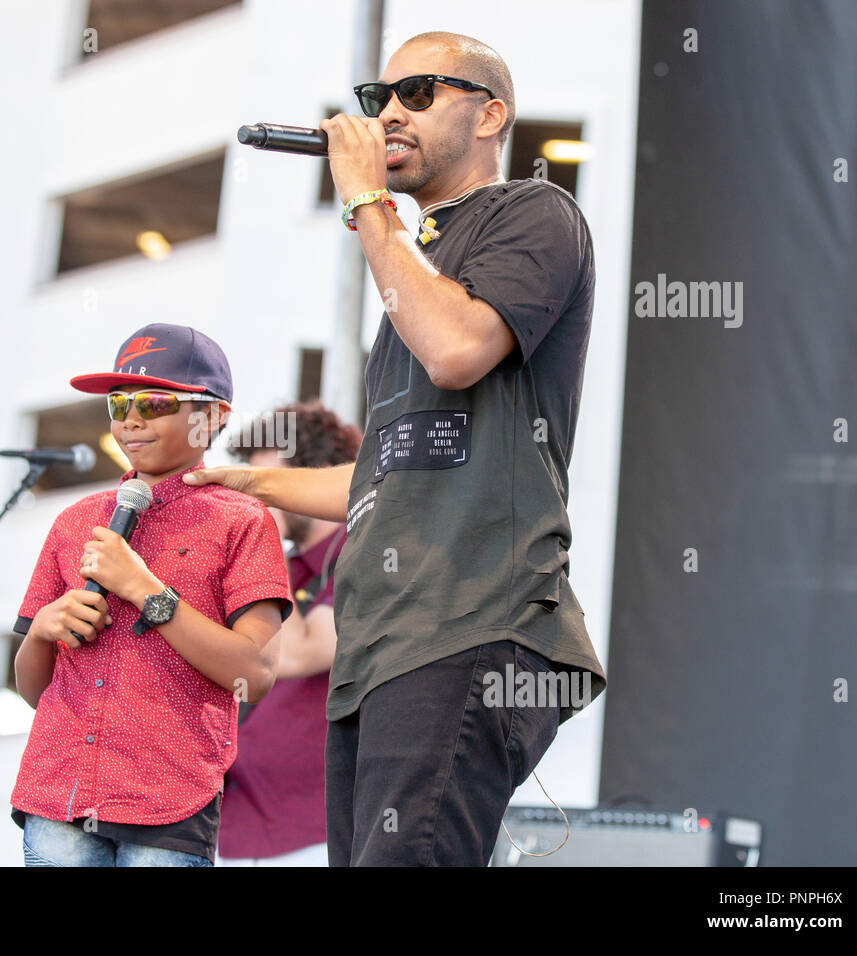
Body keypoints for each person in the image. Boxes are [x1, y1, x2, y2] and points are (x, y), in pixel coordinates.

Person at [185, 32, 607, 865]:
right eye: (379, 98)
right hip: (382, 651)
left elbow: (457, 349)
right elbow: (381, 477)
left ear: (492, 115)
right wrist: (233, 482)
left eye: (418, 91)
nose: (389, 114)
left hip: (469, 623)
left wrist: (364, 204)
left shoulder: (532, 212)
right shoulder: (415, 276)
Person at [9, 322, 294, 866]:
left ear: (213, 415)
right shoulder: (74, 523)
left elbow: (253, 675)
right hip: (56, 791)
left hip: (167, 802)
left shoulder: (243, 520)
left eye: (155, 402)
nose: (131, 419)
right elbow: (33, 690)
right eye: (118, 405)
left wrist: (144, 590)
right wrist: (44, 630)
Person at [215, 401, 361, 866]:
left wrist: (263, 538)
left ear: (313, 479)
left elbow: (302, 651)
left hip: (309, 832)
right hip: (236, 827)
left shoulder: (364, 553)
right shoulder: (288, 567)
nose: (261, 502)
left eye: (272, 487)